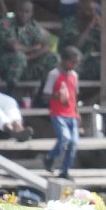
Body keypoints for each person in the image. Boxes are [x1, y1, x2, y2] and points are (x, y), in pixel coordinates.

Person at [39, 45, 82, 179]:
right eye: (72, 62)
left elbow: (74, 96)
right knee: (65, 139)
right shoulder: (54, 74)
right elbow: (45, 95)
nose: (74, 66)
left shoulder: (74, 75)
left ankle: (65, 170)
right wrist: (56, 96)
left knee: (73, 142)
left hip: (71, 113)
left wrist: (77, 112)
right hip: (58, 113)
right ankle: (49, 157)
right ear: (64, 60)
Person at [10, 0, 57, 90]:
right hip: (9, 63)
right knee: (19, 57)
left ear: (32, 13)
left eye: (27, 12)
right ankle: (10, 91)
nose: (24, 14)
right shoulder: (7, 23)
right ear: (16, 11)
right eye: (21, 11)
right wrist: (33, 48)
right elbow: (15, 47)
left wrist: (28, 57)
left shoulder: (33, 25)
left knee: (53, 58)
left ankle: (44, 94)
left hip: (28, 61)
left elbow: (48, 45)